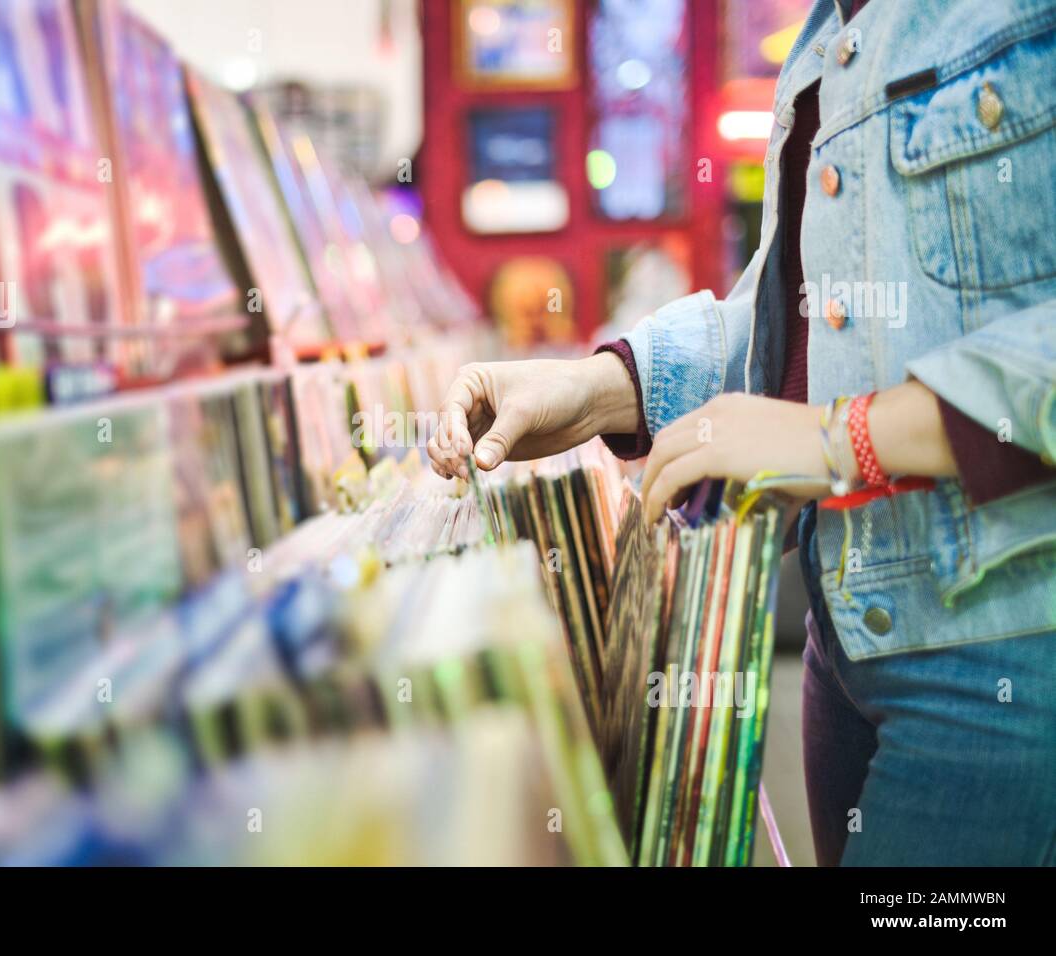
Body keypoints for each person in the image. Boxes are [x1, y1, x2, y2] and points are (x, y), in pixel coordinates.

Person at [427, 0, 1056, 866]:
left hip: (1004, 658)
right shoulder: (821, 38)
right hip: (847, 644)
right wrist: (599, 387)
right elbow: (802, 313)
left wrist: (847, 439)